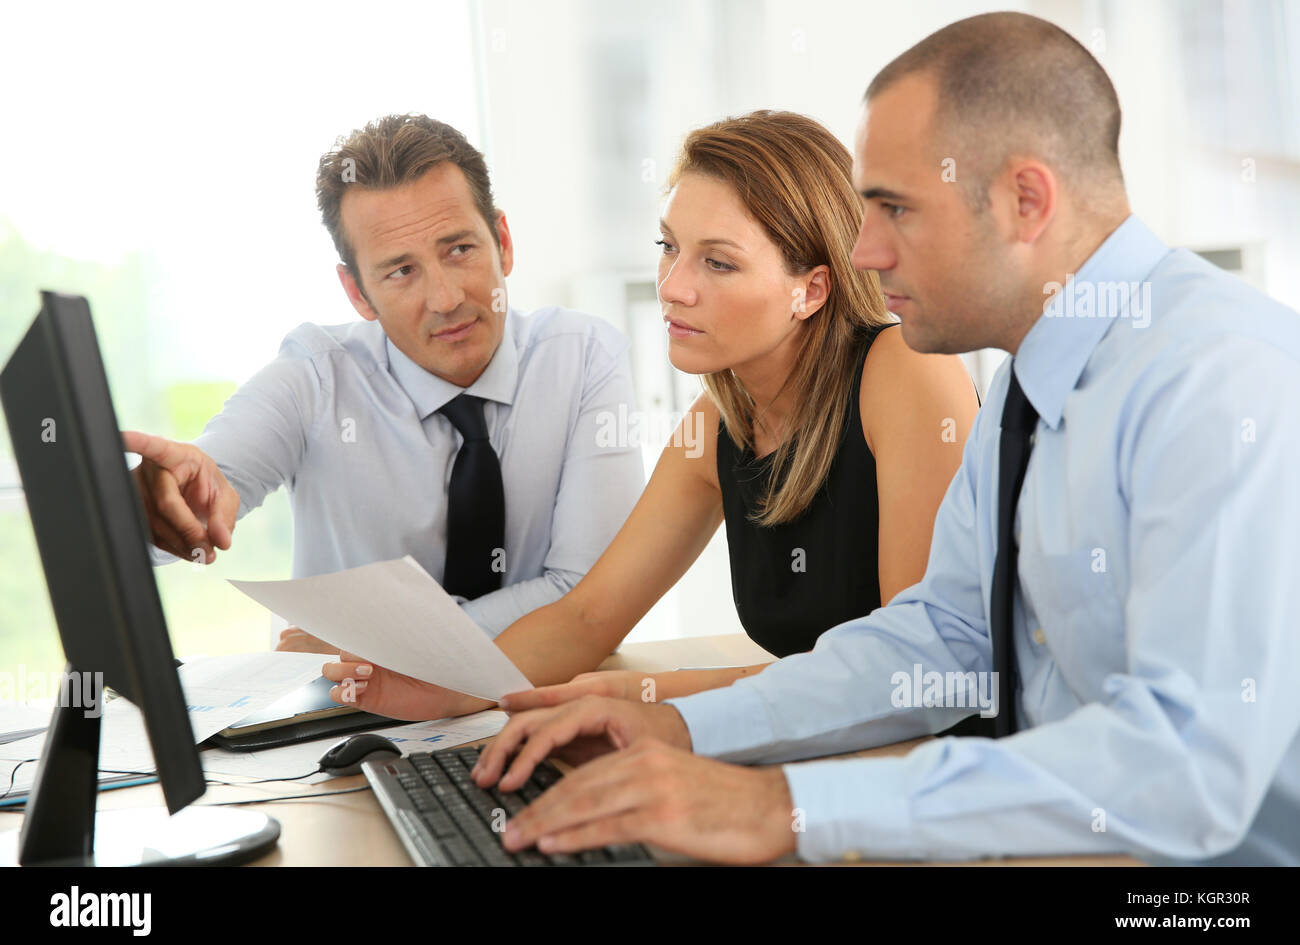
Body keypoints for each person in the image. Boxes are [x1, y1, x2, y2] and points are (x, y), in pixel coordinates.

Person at [459, 12, 1300, 866]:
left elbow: (1186, 766)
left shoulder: (1218, 377)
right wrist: (675, 725)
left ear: (1026, 201)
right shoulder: (1026, 386)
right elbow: (939, 637)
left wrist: (783, 806)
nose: (864, 250)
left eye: (895, 209)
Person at [322, 110, 979, 719]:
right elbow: (586, 619)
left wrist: (642, 694)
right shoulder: (717, 425)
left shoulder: (906, 371)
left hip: (955, 776)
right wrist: (442, 687)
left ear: (809, 289)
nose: (673, 287)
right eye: (669, 247)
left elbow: (913, 672)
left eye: (718, 262)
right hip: (833, 757)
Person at [125, 114, 644, 643]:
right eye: (401, 271)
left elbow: (590, 592)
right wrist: (160, 509)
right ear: (356, 293)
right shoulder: (315, 378)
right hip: (351, 715)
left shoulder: (583, 359)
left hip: (540, 700)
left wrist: (381, 645)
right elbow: (196, 494)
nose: (446, 299)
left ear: (503, 243)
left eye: (459, 249)